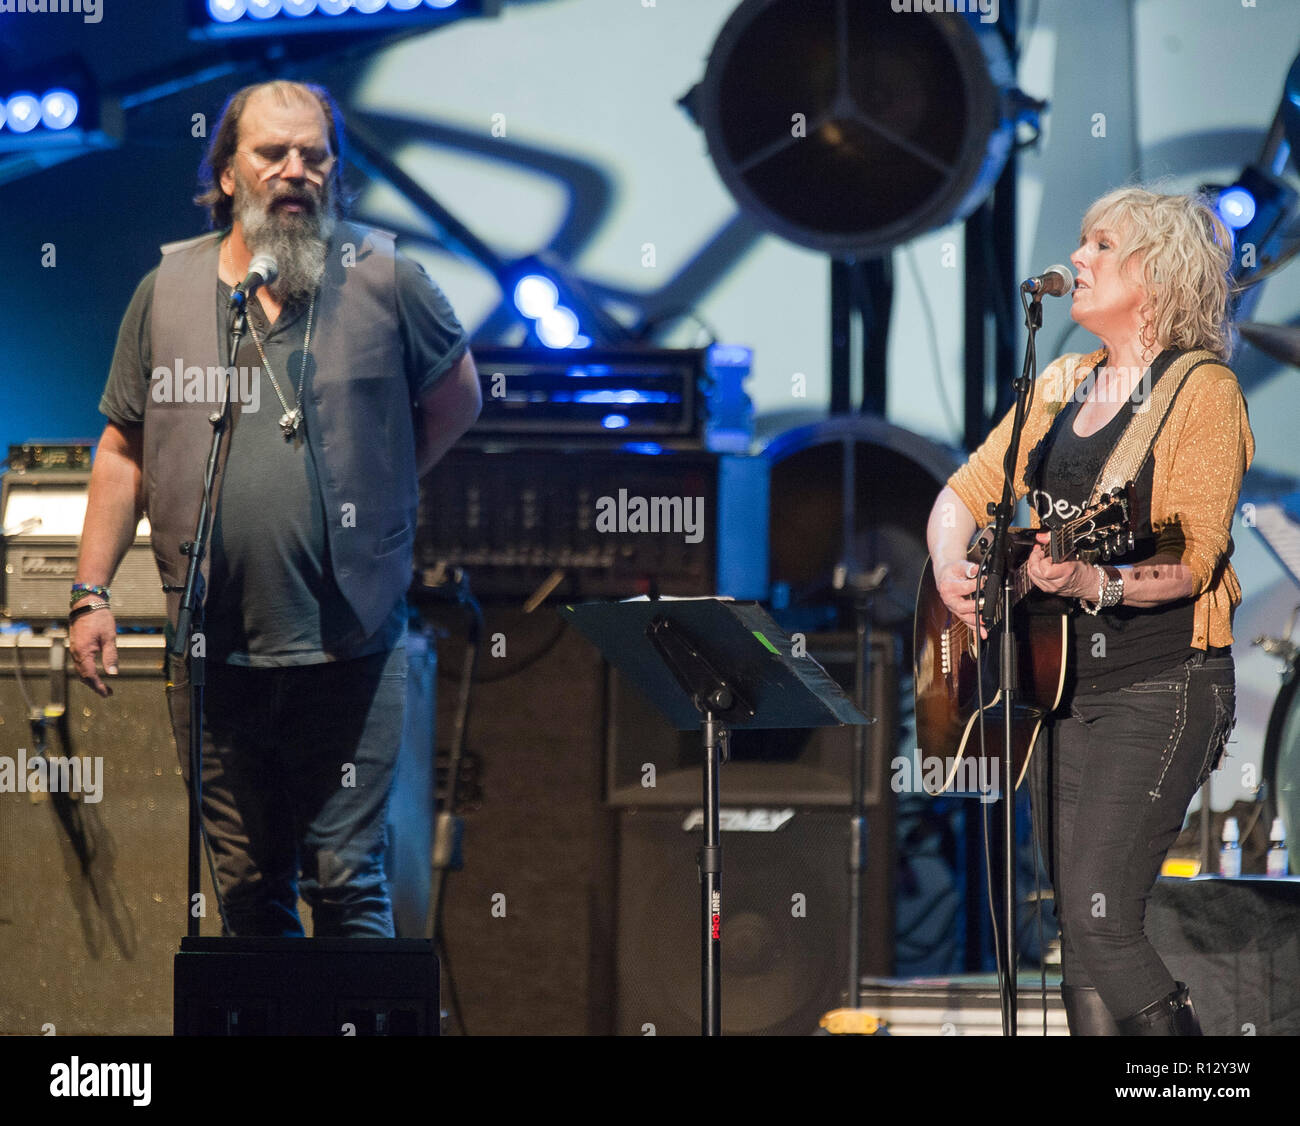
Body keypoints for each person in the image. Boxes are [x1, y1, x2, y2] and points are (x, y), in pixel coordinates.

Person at [68, 80, 482, 937]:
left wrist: (384, 488)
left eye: (314, 156)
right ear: (226, 173)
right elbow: (123, 450)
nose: (296, 172)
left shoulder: (386, 277)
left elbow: (455, 401)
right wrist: (92, 592)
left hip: (350, 644)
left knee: (345, 883)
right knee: (249, 892)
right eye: (271, 154)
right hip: (218, 646)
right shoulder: (170, 288)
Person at [926, 187, 1253, 1035]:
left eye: (1100, 244)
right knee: (1076, 930)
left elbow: (1192, 564)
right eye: (1080, 242)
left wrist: (1093, 584)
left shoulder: (1200, 394)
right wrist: (948, 567)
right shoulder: (1066, 381)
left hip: (1161, 685)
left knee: (1106, 925)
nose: (1077, 258)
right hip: (1063, 690)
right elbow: (963, 493)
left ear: (1154, 270)